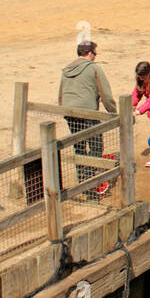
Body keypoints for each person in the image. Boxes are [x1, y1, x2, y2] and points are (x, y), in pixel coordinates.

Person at [58, 40, 117, 191]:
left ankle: (82, 182)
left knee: (79, 148)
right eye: (95, 53)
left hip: (70, 114)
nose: (95, 56)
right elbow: (105, 93)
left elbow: (61, 93)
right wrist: (113, 113)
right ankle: (91, 181)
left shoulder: (66, 69)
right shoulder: (94, 68)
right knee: (96, 147)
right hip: (88, 114)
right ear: (90, 53)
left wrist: (64, 112)